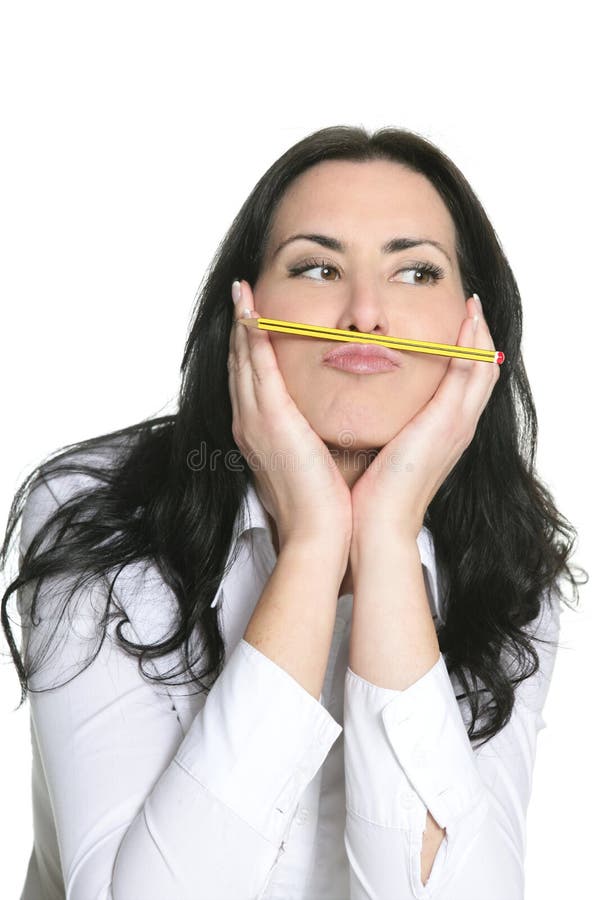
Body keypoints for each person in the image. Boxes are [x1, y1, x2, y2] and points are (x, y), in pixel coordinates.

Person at [1, 125, 586, 900]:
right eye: (316, 267)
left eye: (415, 272)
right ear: (246, 309)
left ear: (471, 331)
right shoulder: (96, 516)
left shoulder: (508, 564)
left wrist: (384, 538)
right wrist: (314, 546)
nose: (365, 314)